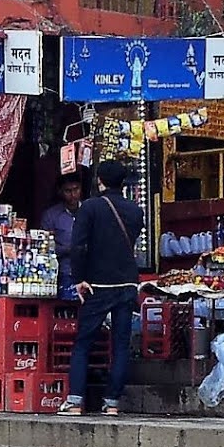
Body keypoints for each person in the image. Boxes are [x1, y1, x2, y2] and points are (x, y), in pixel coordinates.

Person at [61, 160, 143, 417]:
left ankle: (75, 401)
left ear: (100, 180)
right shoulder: (135, 211)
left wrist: (79, 278)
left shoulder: (91, 207)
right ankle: (113, 403)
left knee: (84, 341)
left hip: (98, 284)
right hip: (128, 282)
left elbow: (78, 245)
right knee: (120, 344)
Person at [40, 174, 86, 293]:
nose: (73, 194)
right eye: (68, 191)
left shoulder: (89, 211)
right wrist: (68, 249)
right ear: (60, 192)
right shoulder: (51, 215)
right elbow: (44, 248)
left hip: (89, 273)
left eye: (76, 189)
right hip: (63, 272)